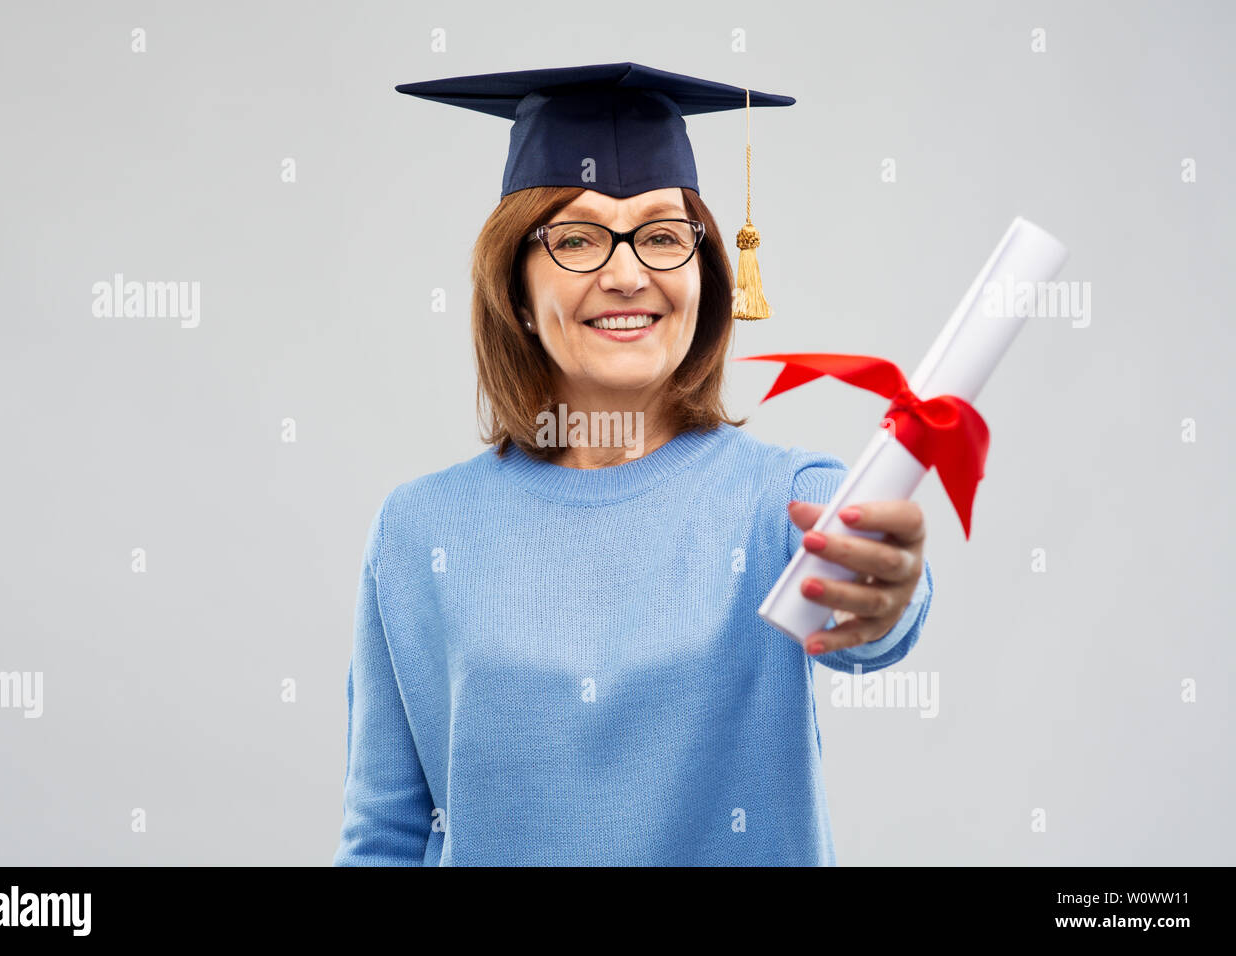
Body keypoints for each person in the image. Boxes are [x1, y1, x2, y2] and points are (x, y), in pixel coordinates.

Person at [334, 63, 933, 866]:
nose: (626, 273)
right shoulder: (418, 530)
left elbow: (866, 615)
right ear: (514, 289)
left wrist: (883, 591)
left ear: (705, 275)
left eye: (660, 235)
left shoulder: (783, 501)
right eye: (576, 239)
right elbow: (386, 836)